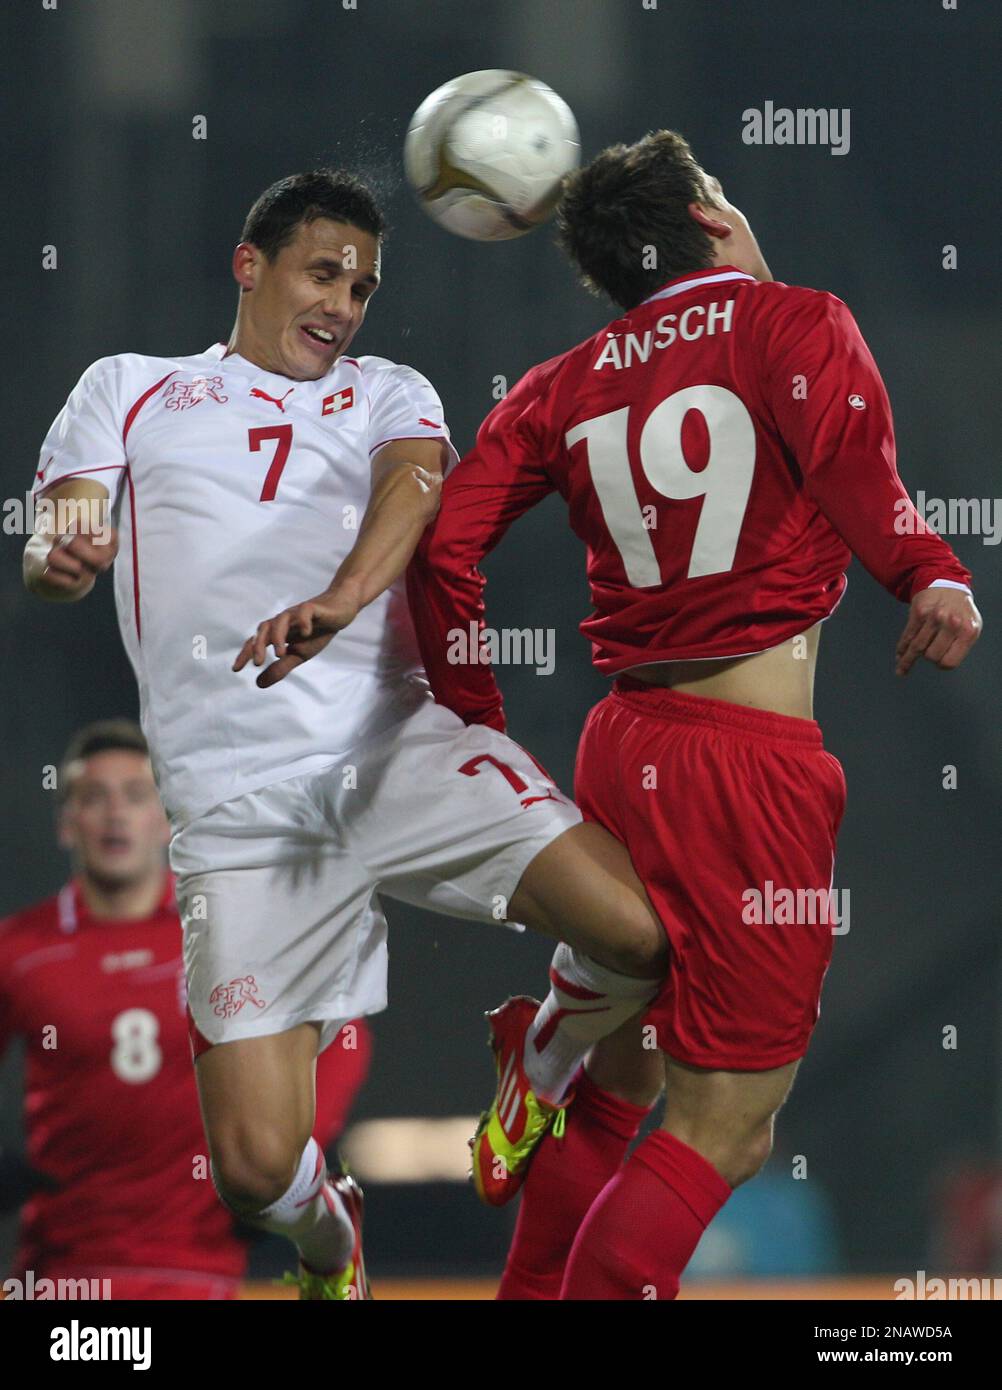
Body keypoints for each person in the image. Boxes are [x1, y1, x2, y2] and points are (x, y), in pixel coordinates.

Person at [22, 170, 668, 1299]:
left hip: (395, 746)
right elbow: (63, 519)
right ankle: (334, 1240)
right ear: (249, 264)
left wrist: (343, 595)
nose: (345, 304)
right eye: (324, 273)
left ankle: (543, 1054)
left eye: (364, 286)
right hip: (236, 808)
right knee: (256, 1171)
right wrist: (60, 554)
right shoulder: (130, 388)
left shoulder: (386, 389)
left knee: (637, 934)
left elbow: (414, 490)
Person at [405, 130, 982, 1299]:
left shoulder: (559, 383)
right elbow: (852, 455)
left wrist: (472, 706)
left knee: (621, 1083)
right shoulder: (793, 320)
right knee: (729, 1127)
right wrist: (926, 568)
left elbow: (446, 543)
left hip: (621, 747)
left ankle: (553, 1060)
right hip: (747, 771)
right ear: (712, 217)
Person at [0, 720, 370, 1300]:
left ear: (165, 816)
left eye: (136, 794)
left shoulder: (221, 937)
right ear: (67, 821)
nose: (115, 814)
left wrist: (285, 1154)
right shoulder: (19, 951)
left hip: (195, 1268)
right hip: (61, 1273)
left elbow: (340, 1031)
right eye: (94, 798)